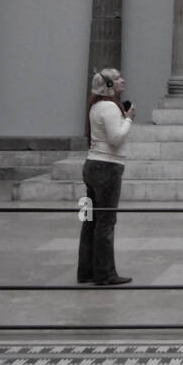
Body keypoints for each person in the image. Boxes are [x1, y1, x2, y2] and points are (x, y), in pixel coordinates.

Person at [77, 68, 135, 286]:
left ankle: (86, 271)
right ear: (108, 85)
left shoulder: (96, 106)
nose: (123, 80)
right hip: (107, 166)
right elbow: (116, 139)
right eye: (118, 78)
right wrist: (128, 119)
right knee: (106, 222)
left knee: (90, 221)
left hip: (93, 165)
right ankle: (104, 273)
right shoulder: (110, 107)